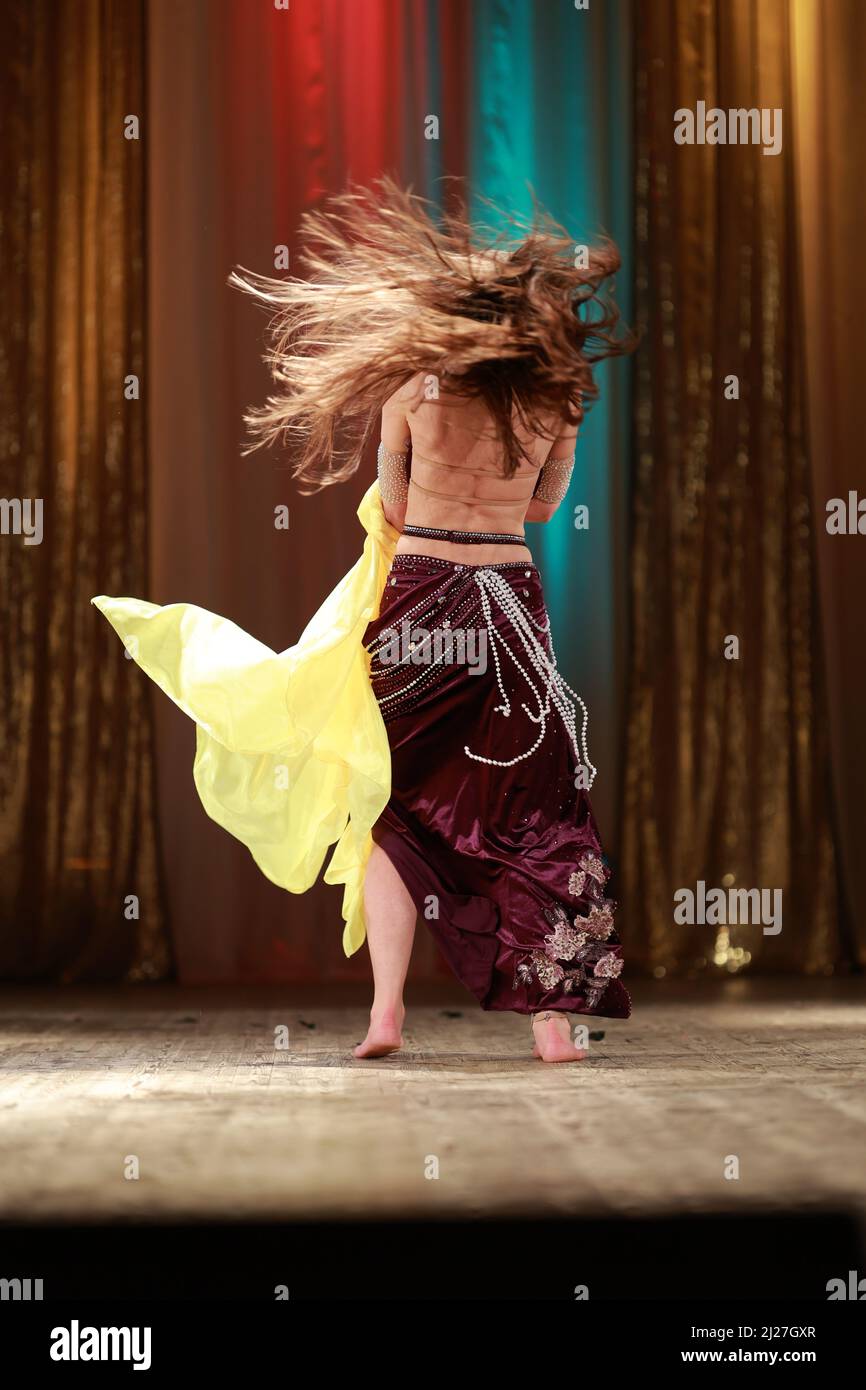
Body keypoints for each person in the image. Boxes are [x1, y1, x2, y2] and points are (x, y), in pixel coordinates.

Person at [93, 179, 633, 1063]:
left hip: (419, 596)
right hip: (509, 610)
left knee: (393, 807)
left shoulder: (415, 386)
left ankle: (386, 1015)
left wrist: (422, 516)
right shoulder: (560, 402)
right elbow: (542, 508)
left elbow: (388, 497)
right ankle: (551, 1027)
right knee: (537, 808)